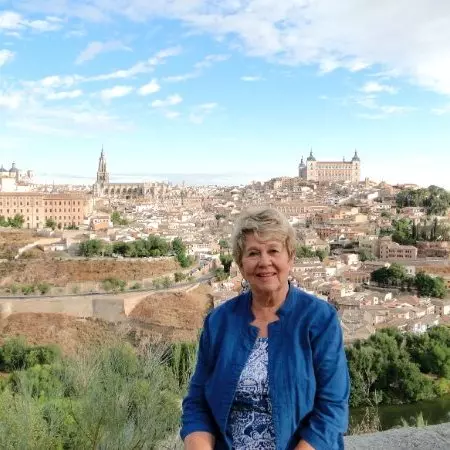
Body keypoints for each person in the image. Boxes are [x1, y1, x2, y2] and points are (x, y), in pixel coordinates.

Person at [181, 207, 350, 450]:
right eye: (253, 253)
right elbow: (197, 402)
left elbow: (332, 408)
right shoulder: (219, 322)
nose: (264, 262)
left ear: (290, 258)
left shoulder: (319, 319)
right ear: (240, 264)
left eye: (273, 251)